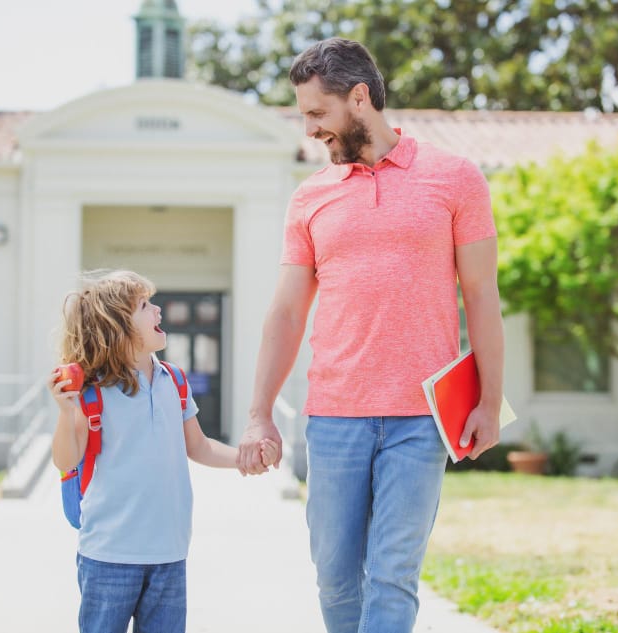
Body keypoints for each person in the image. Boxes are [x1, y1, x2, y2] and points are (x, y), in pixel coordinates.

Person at [236, 37, 505, 633]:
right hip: (333, 419)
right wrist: (259, 414)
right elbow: (285, 314)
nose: (309, 130)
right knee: (335, 574)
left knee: (391, 576)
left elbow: (482, 296)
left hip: (421, 419)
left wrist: (489, 401)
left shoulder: (455, 179)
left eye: (317, 113)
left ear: (360, 98)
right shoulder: (310, 198)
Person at [50, 269, 278, 633]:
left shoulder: (174, 380)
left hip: (169, 555)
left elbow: (199, 446)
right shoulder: (93, 393)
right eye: (145, 306)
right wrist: (65, 412)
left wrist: (243, 457)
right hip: (109, 557)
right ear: (117, 326)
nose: (158, 311)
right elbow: (65, 460)